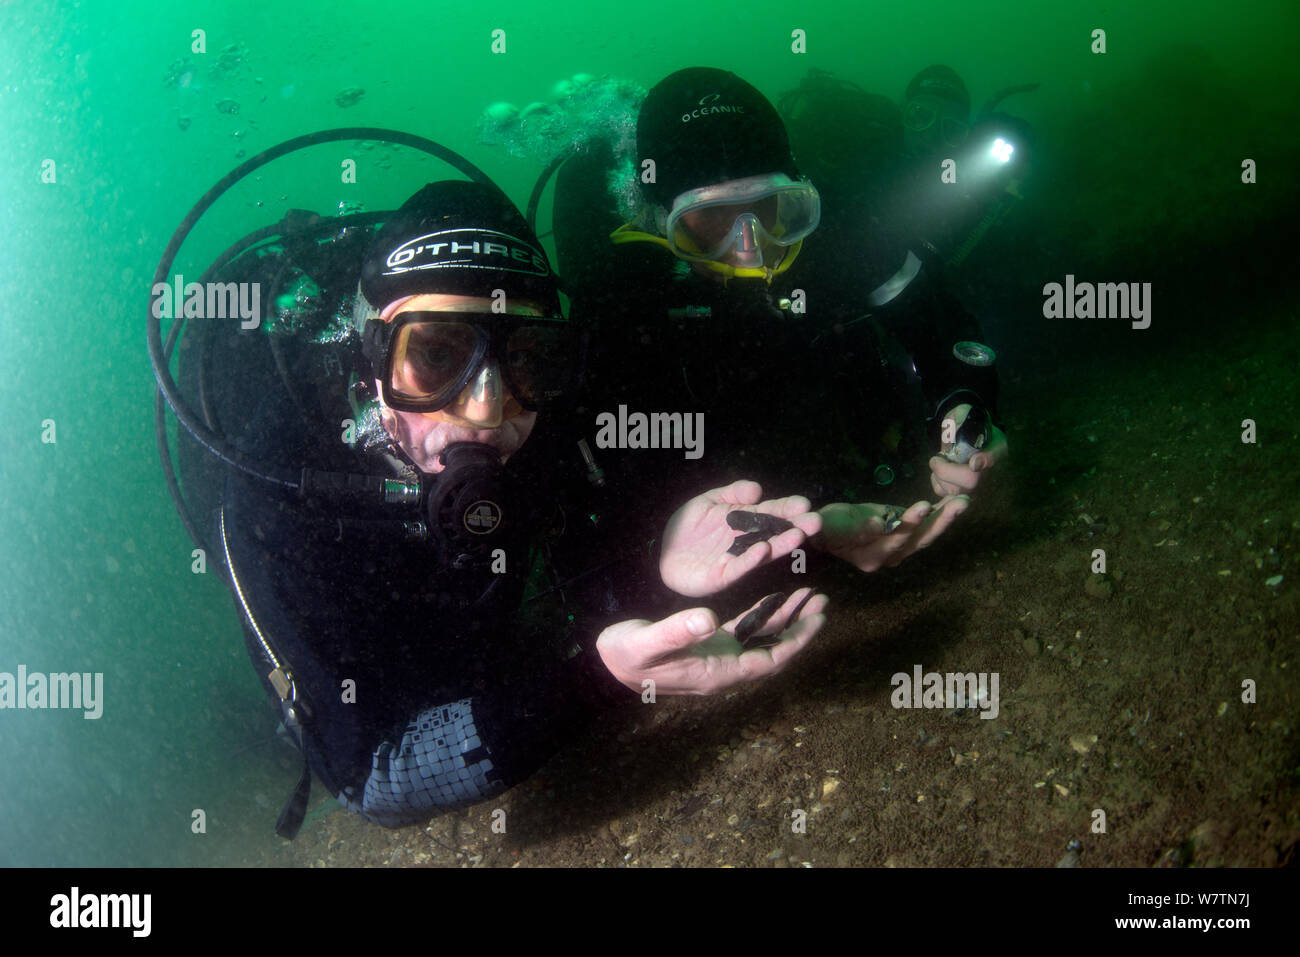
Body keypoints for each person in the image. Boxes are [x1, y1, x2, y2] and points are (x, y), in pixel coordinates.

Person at [185, 176, 828, 834]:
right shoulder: (276, 475)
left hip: (478, 633)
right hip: (356, 632)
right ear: (372, 352)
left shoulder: (549, 409)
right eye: (436, 354)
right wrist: (596, 682)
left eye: (527, 356)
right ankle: (236, 724)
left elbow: (587, 581)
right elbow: (369, 775)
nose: (487, 408)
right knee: (299, 719)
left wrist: (657, 559)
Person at [550, 67, 1007, 583]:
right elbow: (616, 479)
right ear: (660, 225)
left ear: (800, 195)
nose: (750, 248)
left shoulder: (839, 235)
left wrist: (966, 406)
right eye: (710, 225)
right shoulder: (627, 292)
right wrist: (810, 528)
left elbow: (943, 326)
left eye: (771, 210)